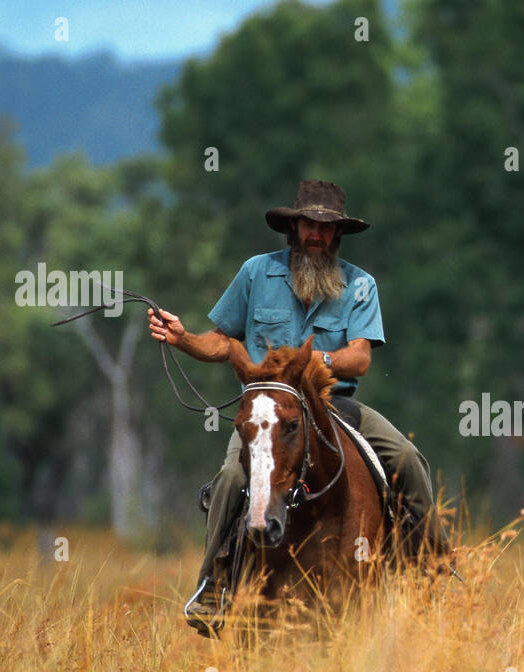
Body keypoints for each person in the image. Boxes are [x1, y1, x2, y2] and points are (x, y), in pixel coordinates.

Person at [146, 180, 449, 631]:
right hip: (266, 412)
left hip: (333, 404)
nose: (317, 235)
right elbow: (224, 340)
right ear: (294, 226)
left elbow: (360, 358)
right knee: (231, 478)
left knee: (405, 457)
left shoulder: (360, 284)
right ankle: (214, 584)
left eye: (327, 228)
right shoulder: (255, 273)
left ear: (338, 234)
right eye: (309, 224)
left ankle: (433, 569)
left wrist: (308, 361)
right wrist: (184, 339)